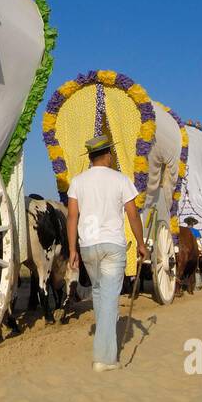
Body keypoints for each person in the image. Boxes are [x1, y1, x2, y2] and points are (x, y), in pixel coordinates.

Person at [66, 135, 146, 372]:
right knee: (110, 299)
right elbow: (133, 214)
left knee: (100, 295)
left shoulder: (77, 182)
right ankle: (105, 358)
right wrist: (141, 243)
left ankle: (104, 346)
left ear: (90, 157)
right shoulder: (121, 180)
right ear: (108, 155)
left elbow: (72, 217)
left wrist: (72, 249)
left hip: (88, 245)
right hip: (112, 245)